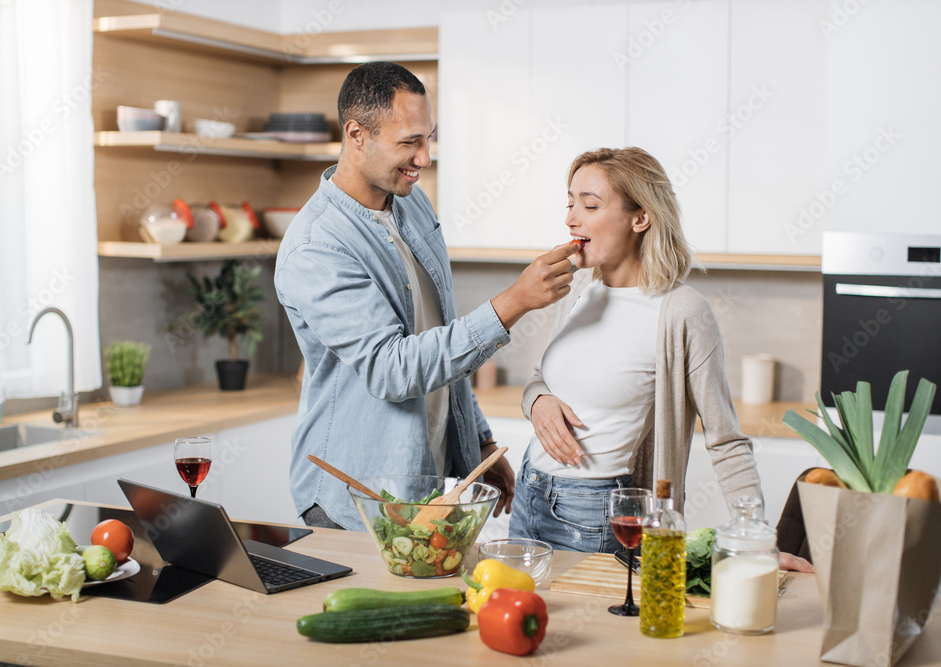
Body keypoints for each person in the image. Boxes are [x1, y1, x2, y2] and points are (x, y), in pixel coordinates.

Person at [274, 62, 578, 531]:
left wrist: (476, 440)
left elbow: (439, 333)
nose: (424, 158)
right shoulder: (317, 246)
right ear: (357, 135)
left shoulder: (412, 202)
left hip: (422, 484)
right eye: (409, 142)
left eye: (429, 138)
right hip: (357, 497)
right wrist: (515, 302)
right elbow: (393, 369)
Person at [507, 147, 813, 572]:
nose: (571, 218)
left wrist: (755, 534)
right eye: (570, 202)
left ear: (641, 218)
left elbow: (725, 439)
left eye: (590, 205)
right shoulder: (580, 291)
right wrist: (537, 403)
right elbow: (542, 379)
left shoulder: (681, 312)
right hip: (529, 494)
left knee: (595, 636)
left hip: (596, 515)